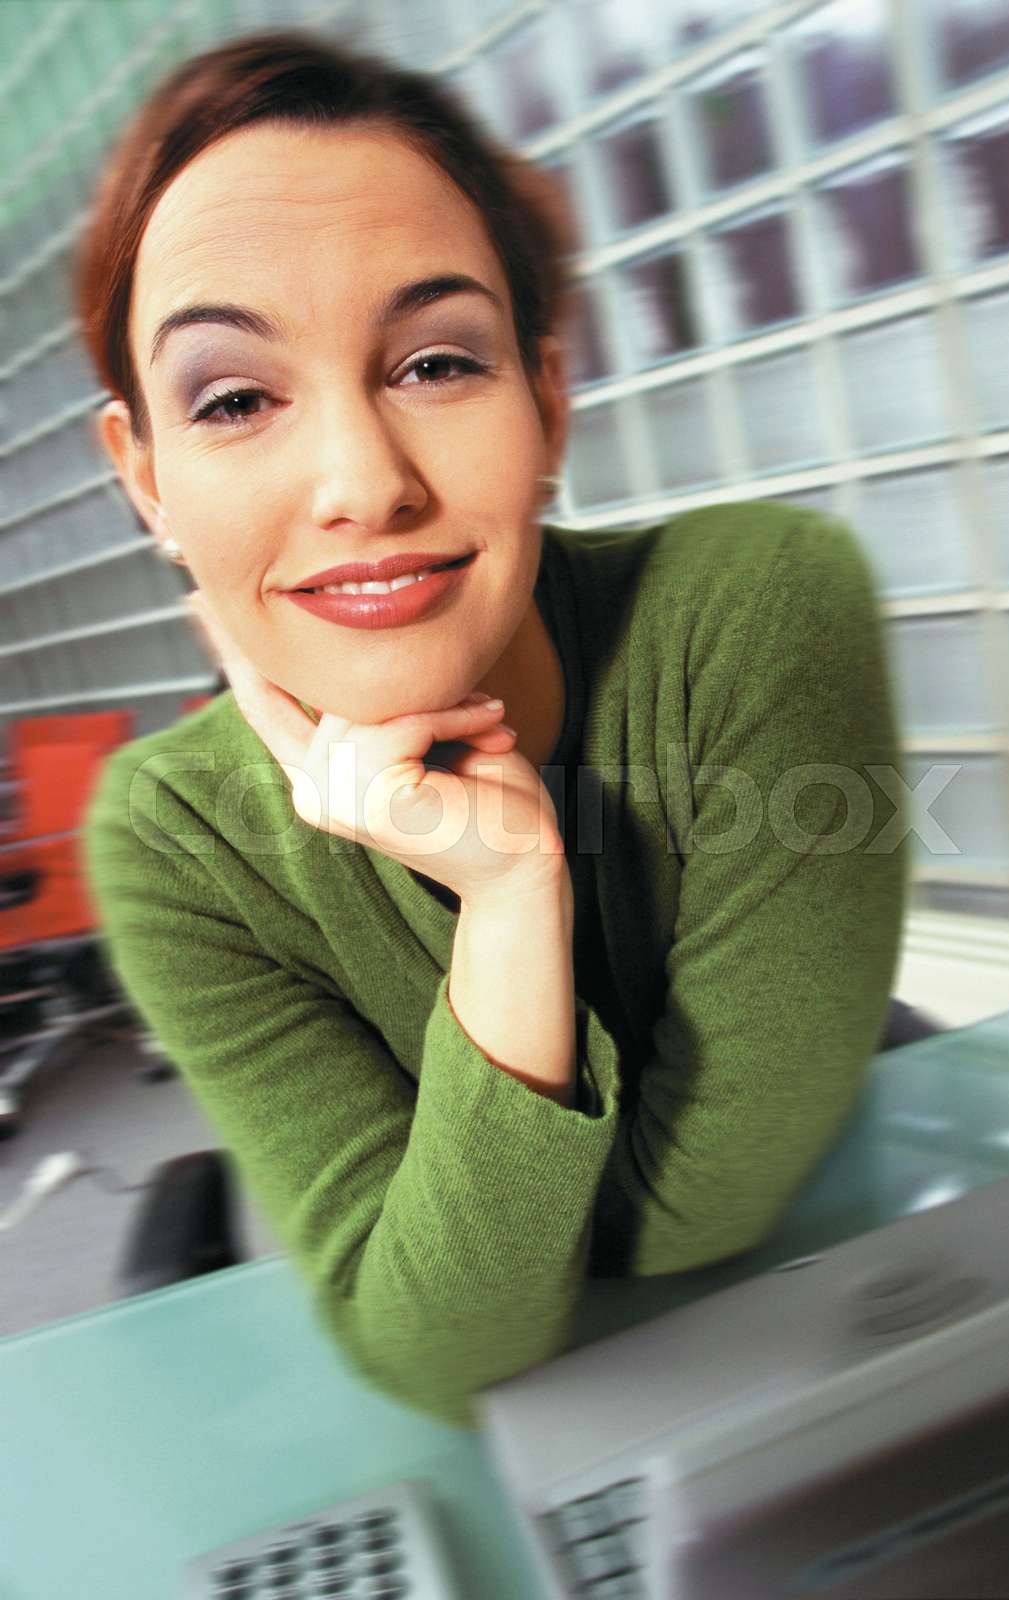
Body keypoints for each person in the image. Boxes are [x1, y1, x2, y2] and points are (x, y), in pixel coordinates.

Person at [77, 28, 909, 1430]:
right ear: (146, 478)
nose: (361, 484)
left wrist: (486, 1222)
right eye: (235, 399)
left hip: (816, 1351)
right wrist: (511, 901)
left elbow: (690, 1234)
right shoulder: (171, 839)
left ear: (548, 399)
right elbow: (440, 1352)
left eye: (438, 365)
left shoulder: (763, 607)